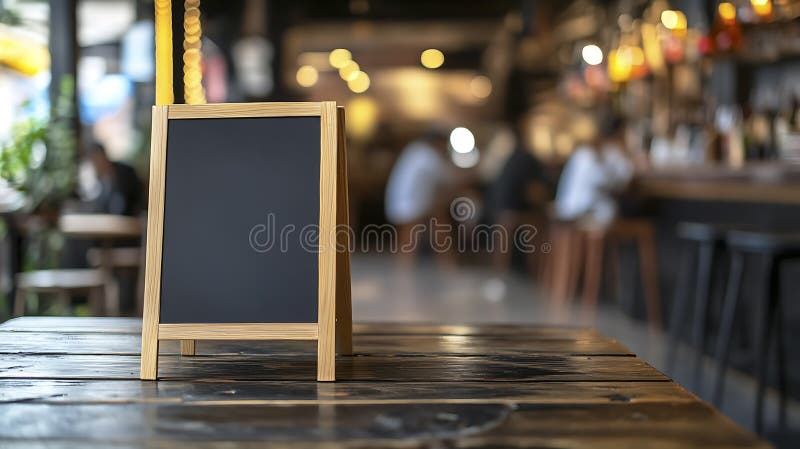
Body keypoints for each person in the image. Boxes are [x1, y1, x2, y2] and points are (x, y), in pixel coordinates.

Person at [384, 127, 454, 264]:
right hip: (409, 205)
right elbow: (447, 179)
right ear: (439, 142)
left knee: (437, 218)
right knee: (438, 222)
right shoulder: (428, 155)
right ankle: (447, 264)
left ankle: (445, 264)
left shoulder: (415, 150)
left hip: (403, 202)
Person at [554, 117, 632, 228]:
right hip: (581, 209)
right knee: (610, 210)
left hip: (565, 206)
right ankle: (598, 244)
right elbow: (607, 182)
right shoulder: (591, 155)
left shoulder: (582, 153)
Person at [81, 142, 142, 216]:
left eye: (97, 159)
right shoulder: (100, 179)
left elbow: (133, 199)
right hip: (110, 222)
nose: (96, 164)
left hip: (129, 219)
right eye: (93, 162)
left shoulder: (125, 172)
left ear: (104, 156)